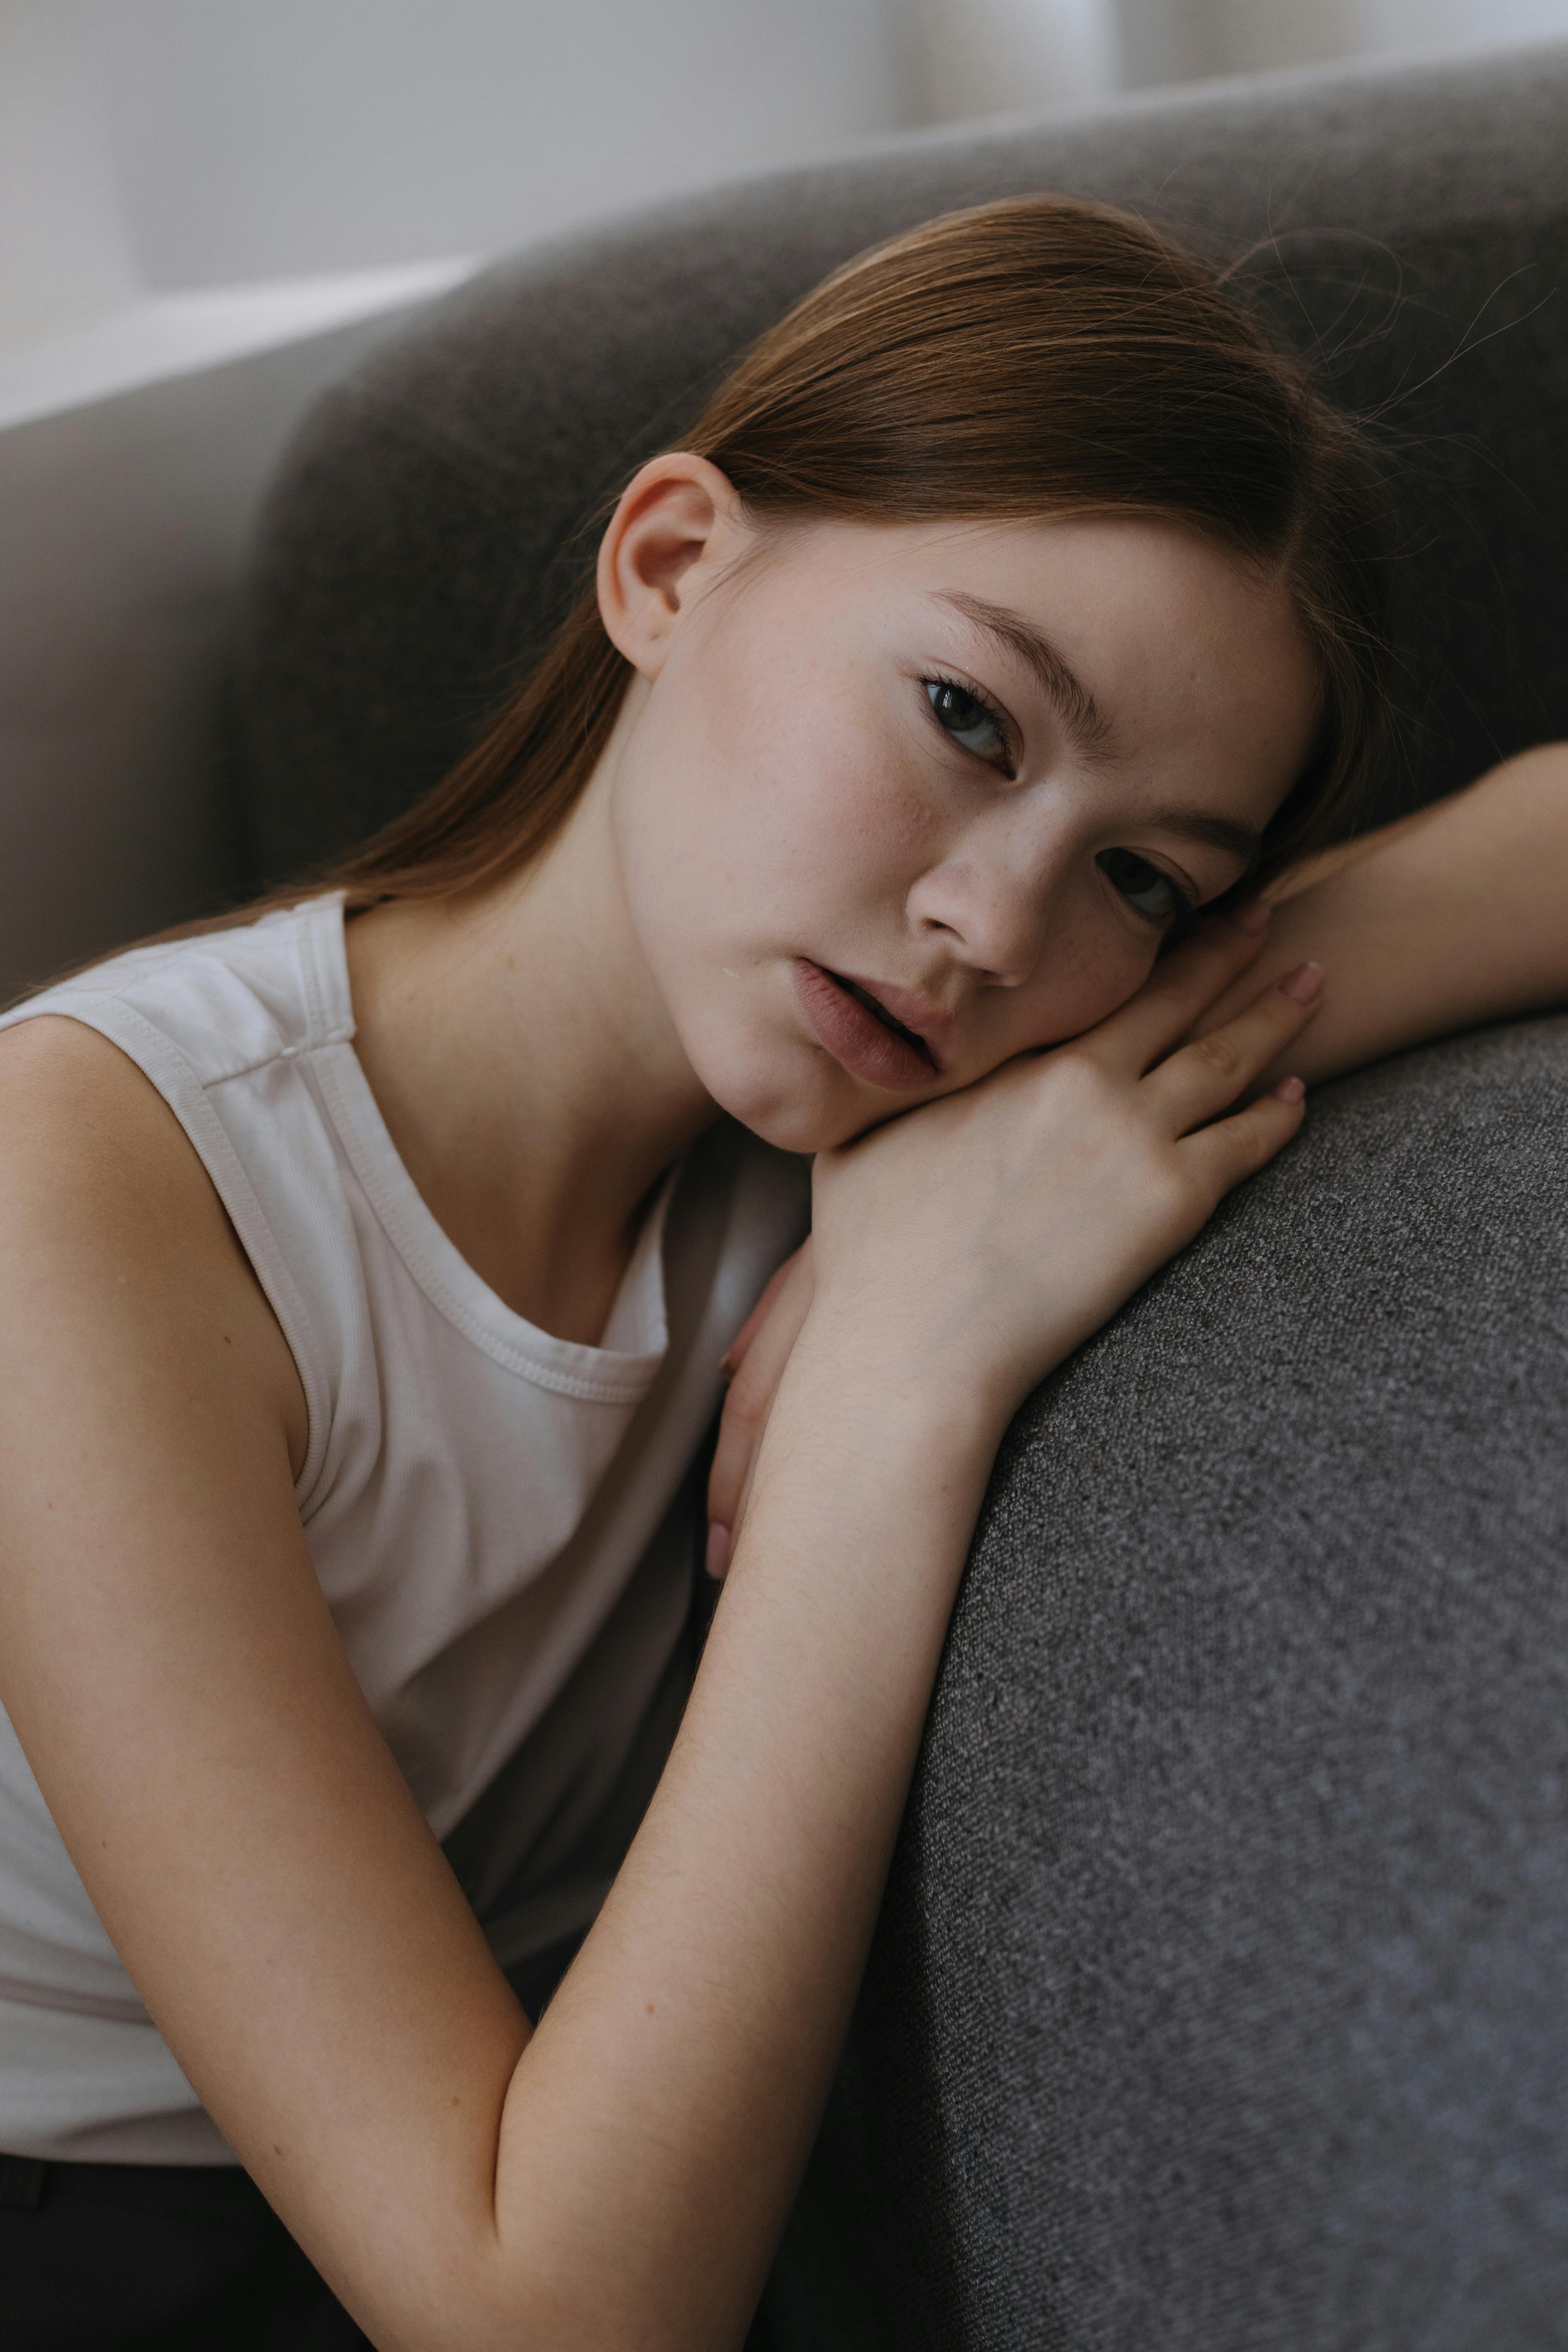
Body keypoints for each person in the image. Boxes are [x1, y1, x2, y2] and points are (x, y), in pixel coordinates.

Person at [0, 194, 1564, 2352]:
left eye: (1140, 878)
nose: (997, 928)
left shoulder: (919, 1085)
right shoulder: (91, 1185)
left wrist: (1072, 1093)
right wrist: (893, 1389)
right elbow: (544, 2320)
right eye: (968, 717)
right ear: (669, 565)